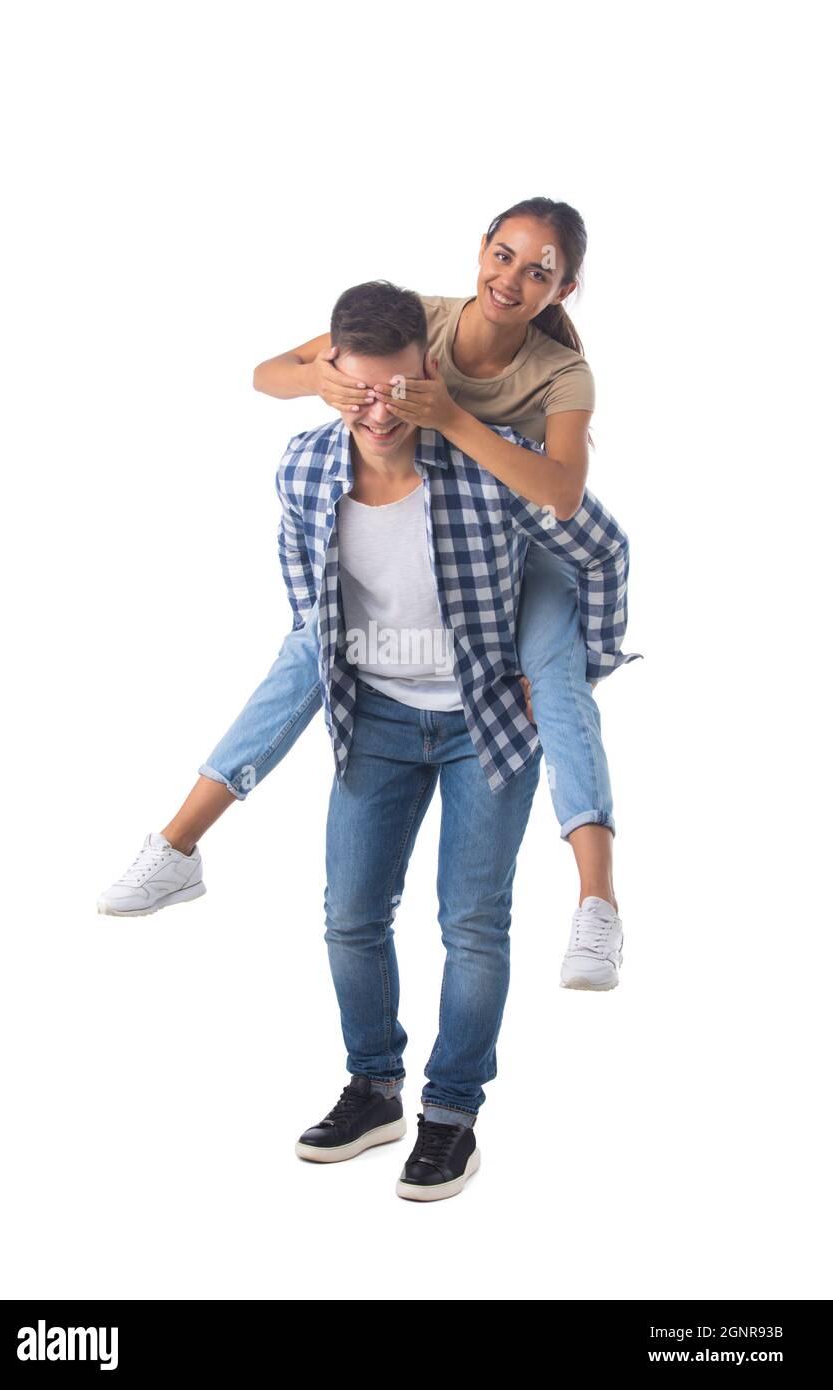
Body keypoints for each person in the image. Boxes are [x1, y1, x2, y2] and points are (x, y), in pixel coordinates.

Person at [98, 197, 638, 990]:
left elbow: (563, 497)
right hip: (439, 540)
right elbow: (266, 374)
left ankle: (599, 907)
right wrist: (326, 381)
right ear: (481, 249)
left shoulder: (562, 373)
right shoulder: (421, 319)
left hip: (527, 538)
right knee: (308, 651)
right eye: (504, 255)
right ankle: (177, 848)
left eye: (539, 272)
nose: (512, 279)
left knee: (554, 682)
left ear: (563, 290)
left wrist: (449, 417)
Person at [270, 280, 633, 1198]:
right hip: (379, 718)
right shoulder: (308, 464)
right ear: (333, 379)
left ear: (428, 377)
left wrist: (569, 667)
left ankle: (452, 1114)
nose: (377, 411)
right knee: (349, 915)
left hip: (486, 726)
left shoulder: (489, 460)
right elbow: (300, 583)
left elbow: (598, 542)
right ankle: (374, 1087)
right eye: (357, 391)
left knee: (472, 924)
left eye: (397, 389)